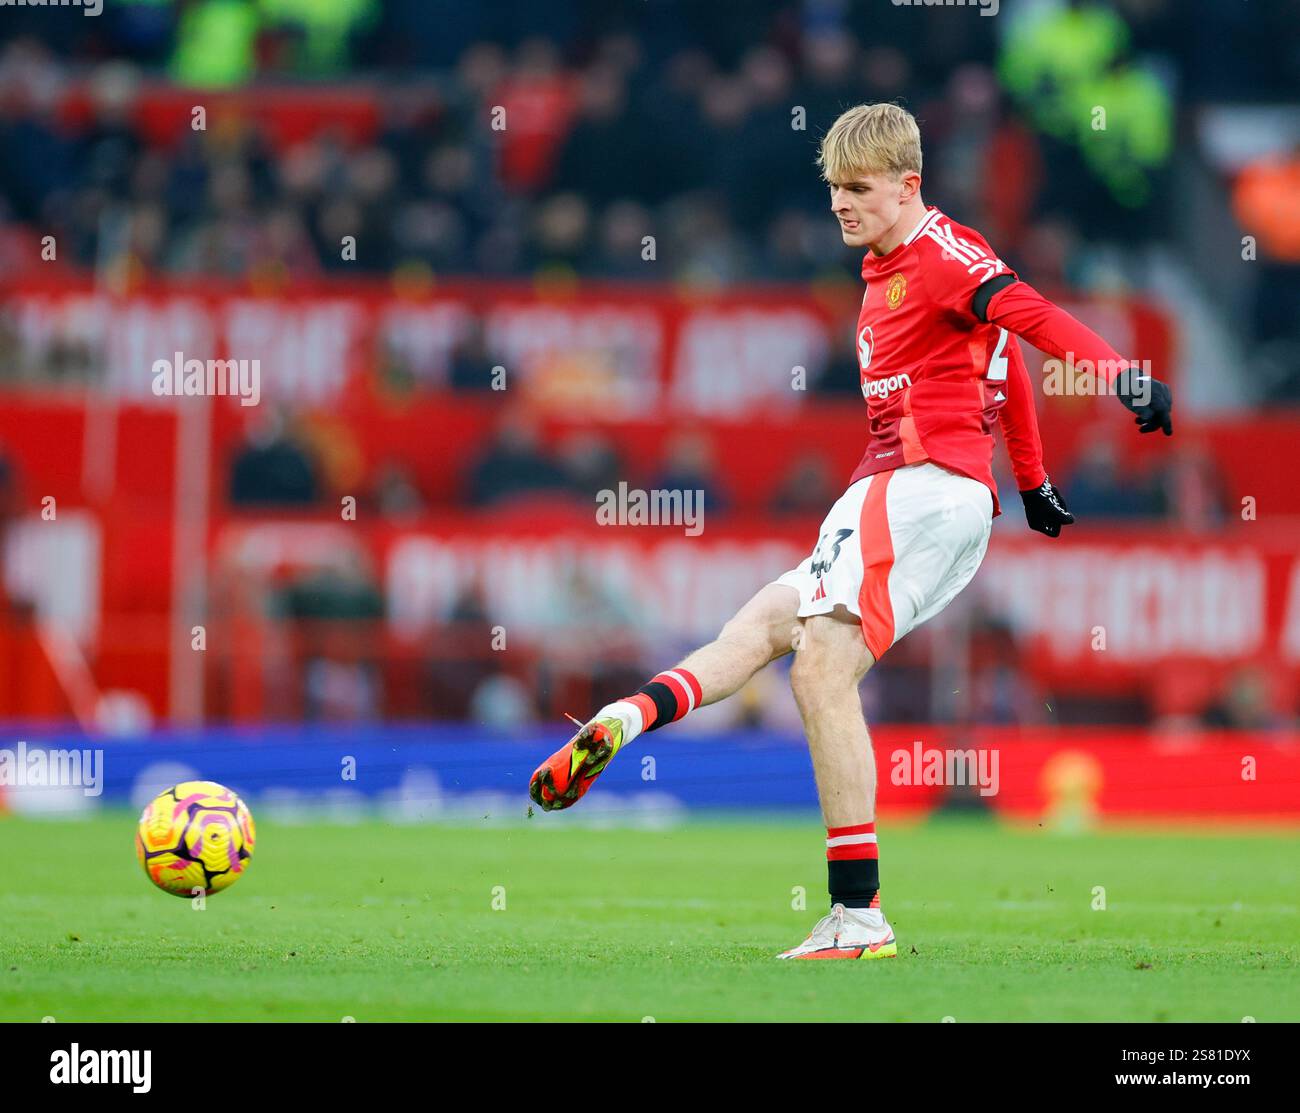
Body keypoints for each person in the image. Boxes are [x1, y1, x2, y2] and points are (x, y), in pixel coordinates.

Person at [528, 103, 1173, 960]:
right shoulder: (887, 267)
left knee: (821, 669)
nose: (841, 203)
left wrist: (1121, 376)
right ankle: (623, 717)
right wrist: (1032, 479)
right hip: (893, 491)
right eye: (835, 188)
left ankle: (858, 913)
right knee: (760, 626)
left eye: (859, 189)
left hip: (922, 486)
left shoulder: (943, 255)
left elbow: (1029, 317)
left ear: (909, 185)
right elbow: (1004, 360)